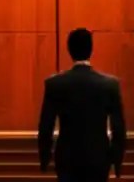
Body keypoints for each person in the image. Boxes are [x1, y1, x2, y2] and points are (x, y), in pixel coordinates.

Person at [37, 28, 127, 181]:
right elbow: (119, 129)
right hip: (98, 158)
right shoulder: (109, 85)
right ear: (91, 49)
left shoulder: (55, 84)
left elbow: (46, 126)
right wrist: (116, 162)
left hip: (67, 158)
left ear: (69, 50)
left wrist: (45, 159)